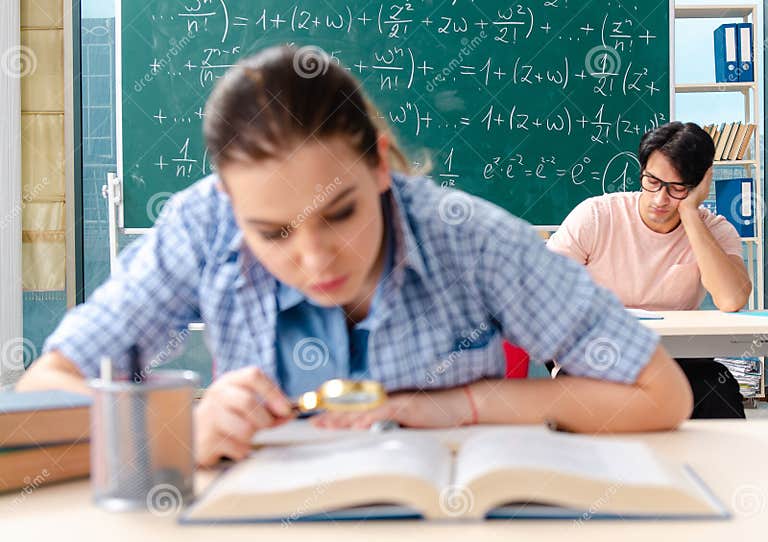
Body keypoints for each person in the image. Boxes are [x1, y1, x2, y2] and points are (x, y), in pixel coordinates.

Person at [17, 46, 692, 467]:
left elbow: (661, 393)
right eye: (272, 232)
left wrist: (463, 405)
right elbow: (45, 384)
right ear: (229, 204)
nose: (316, 261)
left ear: (378, 165)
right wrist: (177, 429)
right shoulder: (199, 225)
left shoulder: (472, 238)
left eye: (339, 214)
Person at [547, 121, 751, 419]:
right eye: (652, 181)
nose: (660, 199)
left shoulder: (714, 231)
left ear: (699, 185)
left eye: (677, 188)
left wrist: (690, 214)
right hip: (597, 356)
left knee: (718, 389)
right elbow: (544, 288)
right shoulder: (596, 216)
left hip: (675, 360)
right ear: (642, 171)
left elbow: (731, 299)